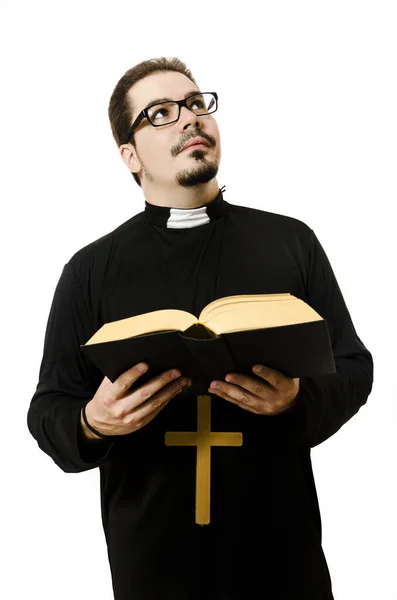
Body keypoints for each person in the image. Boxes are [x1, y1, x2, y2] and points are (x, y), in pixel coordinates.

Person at [27, 57, 374, 600]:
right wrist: (93, 421)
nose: (189, 118)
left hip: (281, 557)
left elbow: (355, 366)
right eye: (161, 113)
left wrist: (297, 401)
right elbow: (48, 408)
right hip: (153, 560)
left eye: (195, 104)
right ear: (130, 157)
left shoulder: (290, 242)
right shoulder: (91, 271)